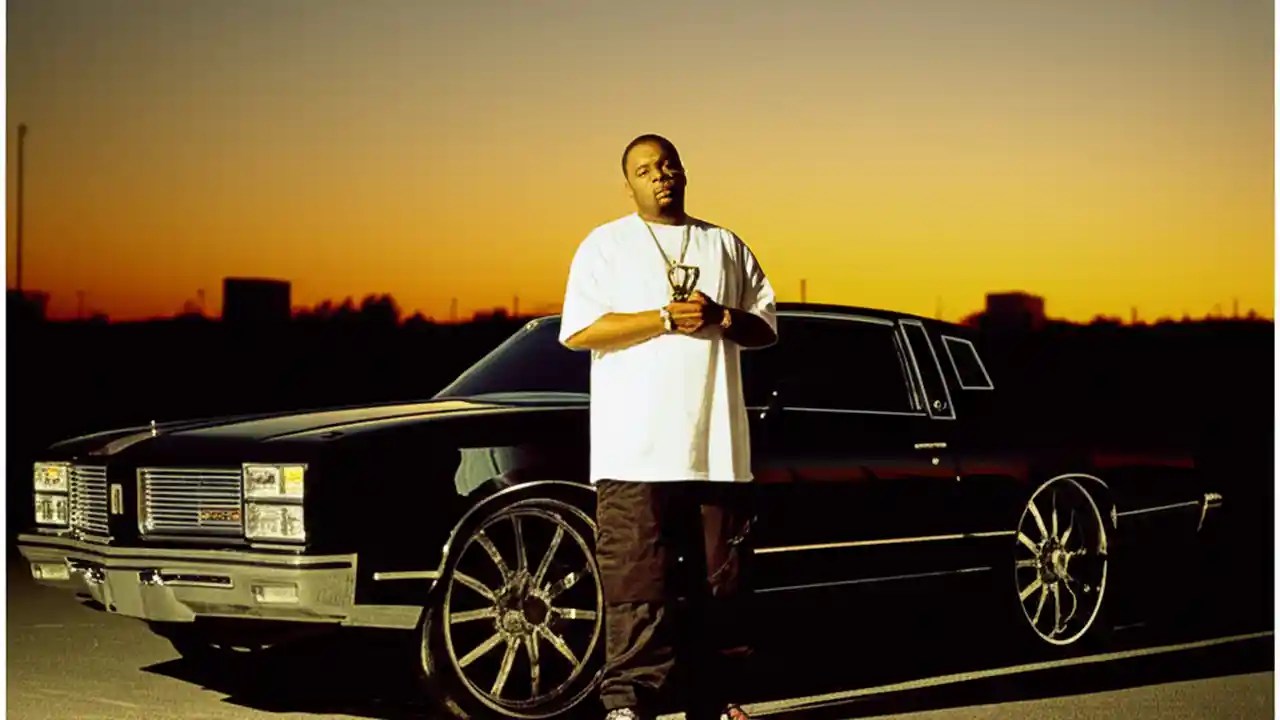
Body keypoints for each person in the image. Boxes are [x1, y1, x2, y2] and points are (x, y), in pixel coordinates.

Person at [558, 134, 778, 720]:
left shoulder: (724, 244)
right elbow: (579, 330)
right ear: (628, 184)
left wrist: (721, 316)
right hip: (633, 449)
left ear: (683, 171)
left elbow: (765, 325)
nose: (659, 175)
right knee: (638, 582)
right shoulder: (605, 245)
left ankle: (717, 700)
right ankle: (630, 703)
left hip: (716, 448)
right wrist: (661, 318)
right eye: (644, 169)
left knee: (722, 581)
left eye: (667, 164)